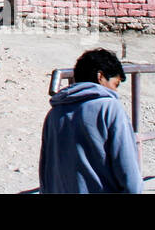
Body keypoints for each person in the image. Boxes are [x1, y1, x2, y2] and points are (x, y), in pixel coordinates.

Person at [39, 49, 143, 194]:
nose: (116, 91)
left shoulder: (54, 114)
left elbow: (45, 171)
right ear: (100, 76)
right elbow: (129, 172)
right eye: (115, 84)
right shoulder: (110, 108)